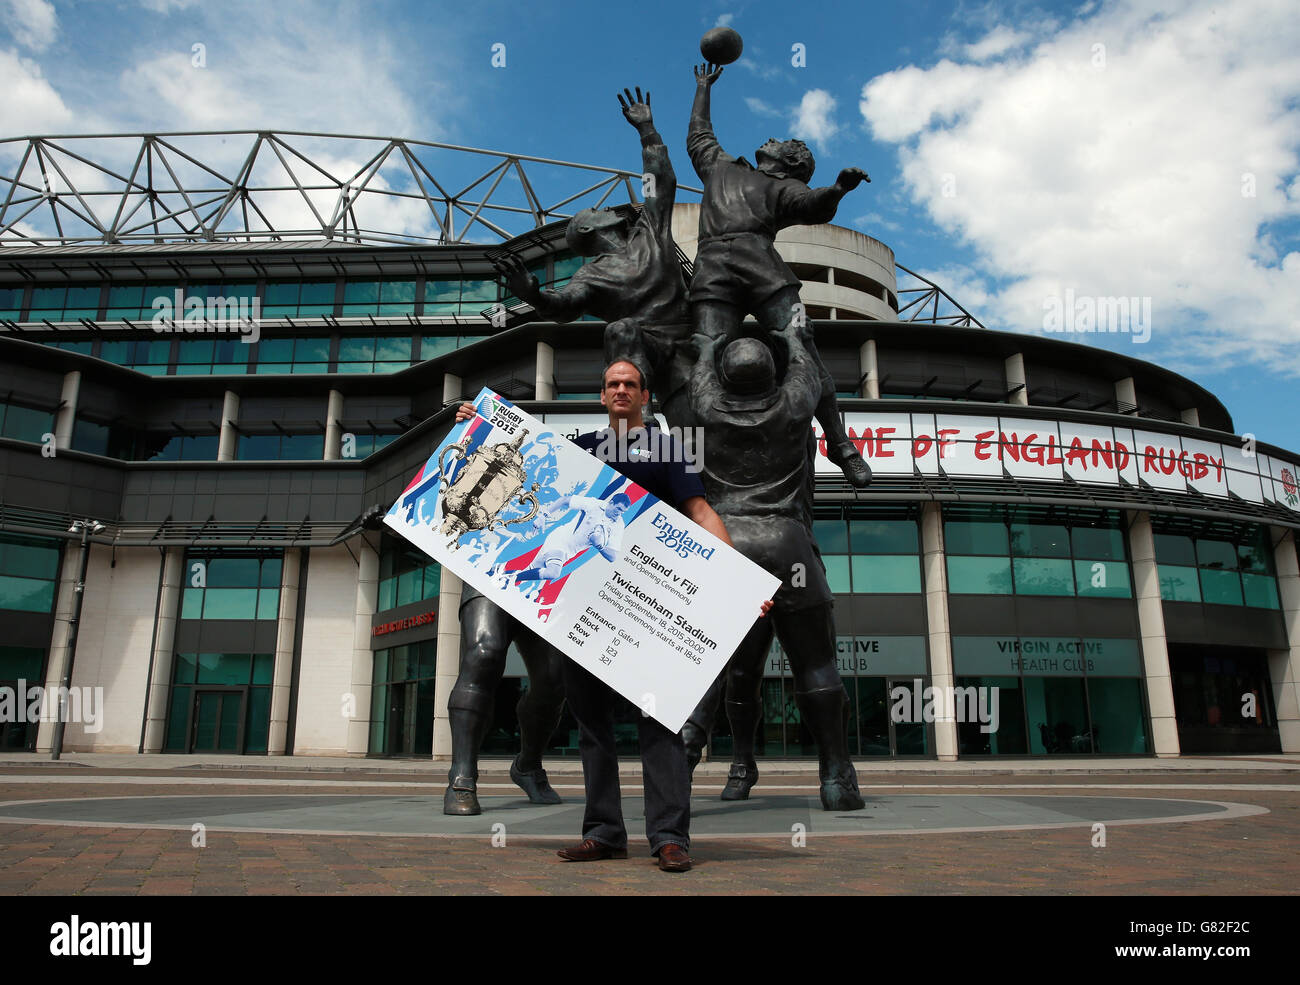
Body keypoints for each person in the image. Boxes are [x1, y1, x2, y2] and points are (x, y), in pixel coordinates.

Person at [680, 324, 865, 812]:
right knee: (816, 664)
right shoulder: (794, 406)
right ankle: (836, 775)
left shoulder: (706, 408)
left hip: (726, 542)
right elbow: (806, 367)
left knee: (718, 665)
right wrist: (794, 336)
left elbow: (699, 373)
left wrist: (704, 346)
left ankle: (691, 763)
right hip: (786, 544)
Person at [686, 62, 872, 488]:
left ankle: (841, 445)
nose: (770, 138)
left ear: (789, 161)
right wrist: (702, 88)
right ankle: (691, 455)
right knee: (701, 354)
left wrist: (838, 189)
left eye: (782, 141)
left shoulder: (786, 189)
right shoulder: (721, 166)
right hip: (713, 270)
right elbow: (698, 134)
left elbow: (814, 206)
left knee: (803, 346)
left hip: (763, 269)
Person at [491, 88, 695, 424]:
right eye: (595, 209)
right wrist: (536, 296)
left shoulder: (650, 231)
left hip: (692, 344)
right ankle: (633, 427)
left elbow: (660, 181)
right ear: (589, 230)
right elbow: (566, 305)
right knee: (622, 329)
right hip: (648, 350)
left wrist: (647, 130)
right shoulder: (591, 275)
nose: (605, 209)